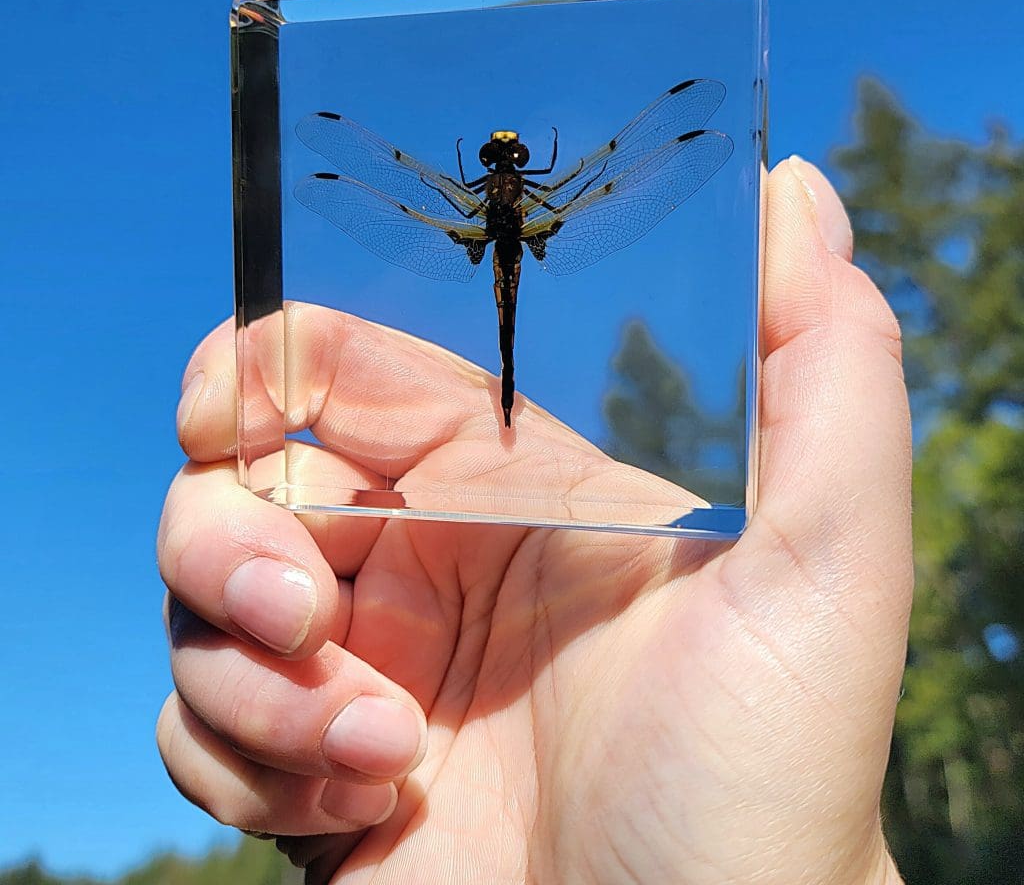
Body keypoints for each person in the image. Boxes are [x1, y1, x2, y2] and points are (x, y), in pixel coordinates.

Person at [156, 158, 910, 885]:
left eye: (504, 157)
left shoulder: (485, 196)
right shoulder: (513, 197)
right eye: (502, 157)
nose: (504, 160)